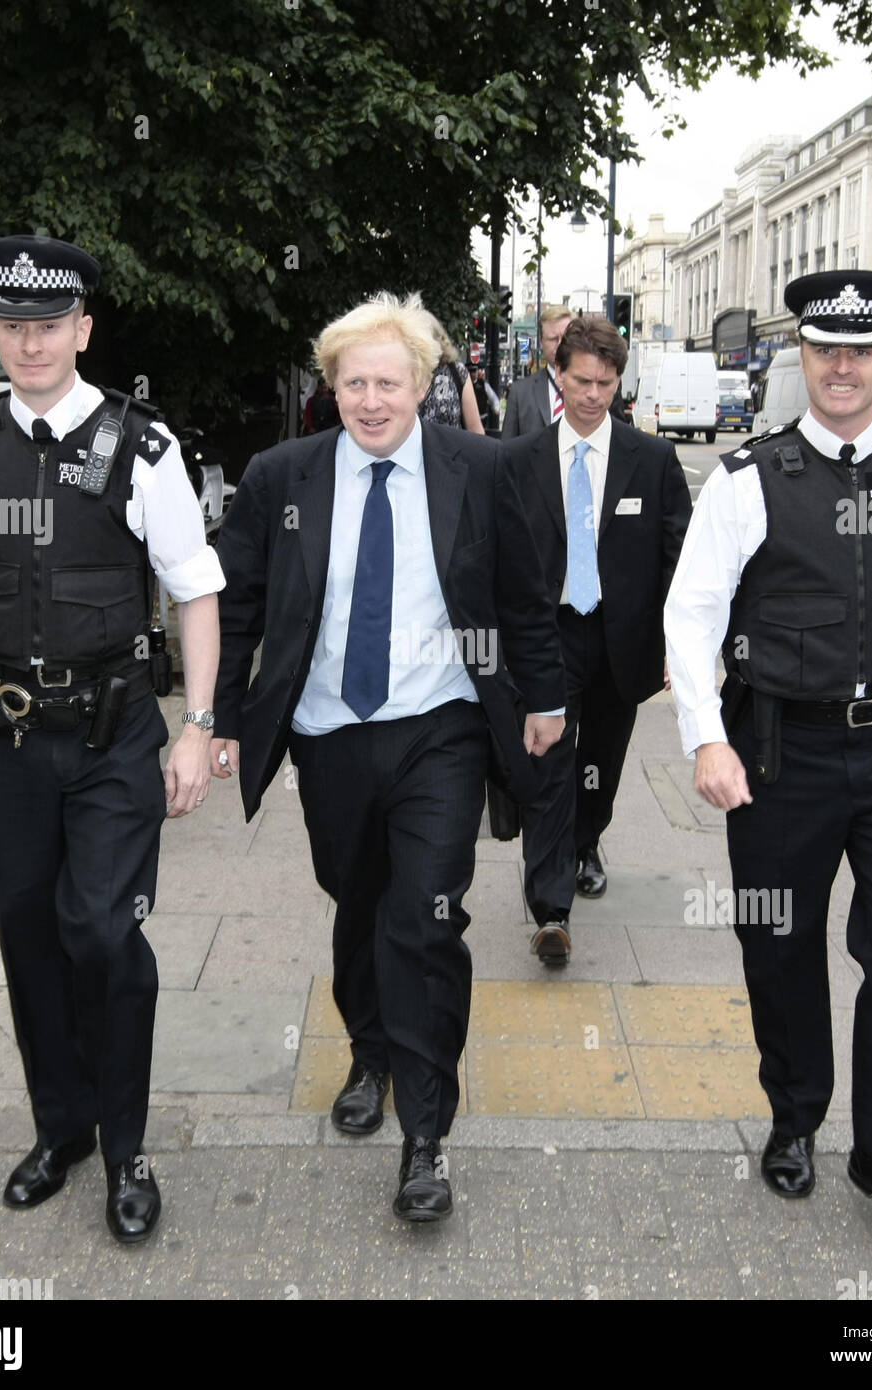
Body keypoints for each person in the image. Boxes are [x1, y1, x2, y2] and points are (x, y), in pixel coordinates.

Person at [0, 235, 224, 1244]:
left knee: (102, 932)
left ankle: (128, 1146)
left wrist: (198, 726)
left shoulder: (143, 446)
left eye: (48, 325)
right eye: (10, 324)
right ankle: (60, 1128)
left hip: (115, 736)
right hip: (3, 743)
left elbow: (195, 589)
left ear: (82, 328)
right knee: (30, 938)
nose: (29, 342)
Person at [663, 270, 872, 1254]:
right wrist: (706, 736)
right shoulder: (748, 480)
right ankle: (795, 1112)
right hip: (780, 753)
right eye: (825, 350)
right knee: (778, 947)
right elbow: (689, 614)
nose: (843, 366)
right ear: (802, 358)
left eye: (862, 350)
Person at [212, 291, 565, 1221]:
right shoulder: (281, 477)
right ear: (331, 387)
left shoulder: (479, 469)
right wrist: (218, 717)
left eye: (389, 382)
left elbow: (527, 594)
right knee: (360, 903)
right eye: (354, 382)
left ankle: (426, 1135)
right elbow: (237, 601)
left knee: (426, 918)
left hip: (439, 728)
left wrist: (547, 698)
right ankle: (369, 1050)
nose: (372, 400)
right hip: (328, 733)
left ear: (423, 387)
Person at [505, 317, 691, 965]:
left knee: (600, 768)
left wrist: (678, 644)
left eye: (605, 383)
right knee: (549, 763)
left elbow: (678, 560)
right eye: (581, 380)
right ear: (558, 375)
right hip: (547, 638)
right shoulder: (521, 461)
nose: (592, 394)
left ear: (619, 381)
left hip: (621, 640)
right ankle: (552, 907)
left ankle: (587, 842)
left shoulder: (653, 460)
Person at [500, 305, 573, 438]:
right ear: (541, 342)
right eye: (553, 339)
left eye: (566, 338)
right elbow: (507, 450)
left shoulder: (596, 386)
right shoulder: (520, 392)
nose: (560, 344)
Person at [418, 305, 484, 433]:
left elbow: (476, 431)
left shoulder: (457, 371)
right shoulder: (400, 372)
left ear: (439, 340)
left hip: (451, 451)